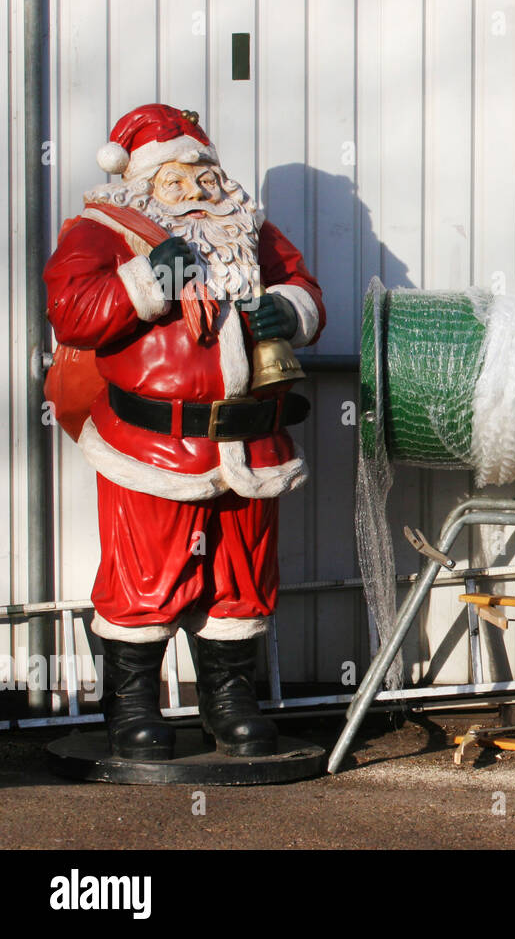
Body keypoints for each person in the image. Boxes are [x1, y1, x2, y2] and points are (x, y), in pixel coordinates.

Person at [44, 104, 324, 761]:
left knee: (240, 575)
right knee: (146, 574)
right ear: (143, 177)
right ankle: (131, 705)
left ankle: (230, 703)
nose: (193, 184)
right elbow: (74, 312)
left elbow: (304, 284)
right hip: (154, 445)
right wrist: (150, 279)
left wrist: (288, 309)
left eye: (201, 169)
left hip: (251, 441)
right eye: (173, 171)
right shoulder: (103, 229)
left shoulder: (250, 229)